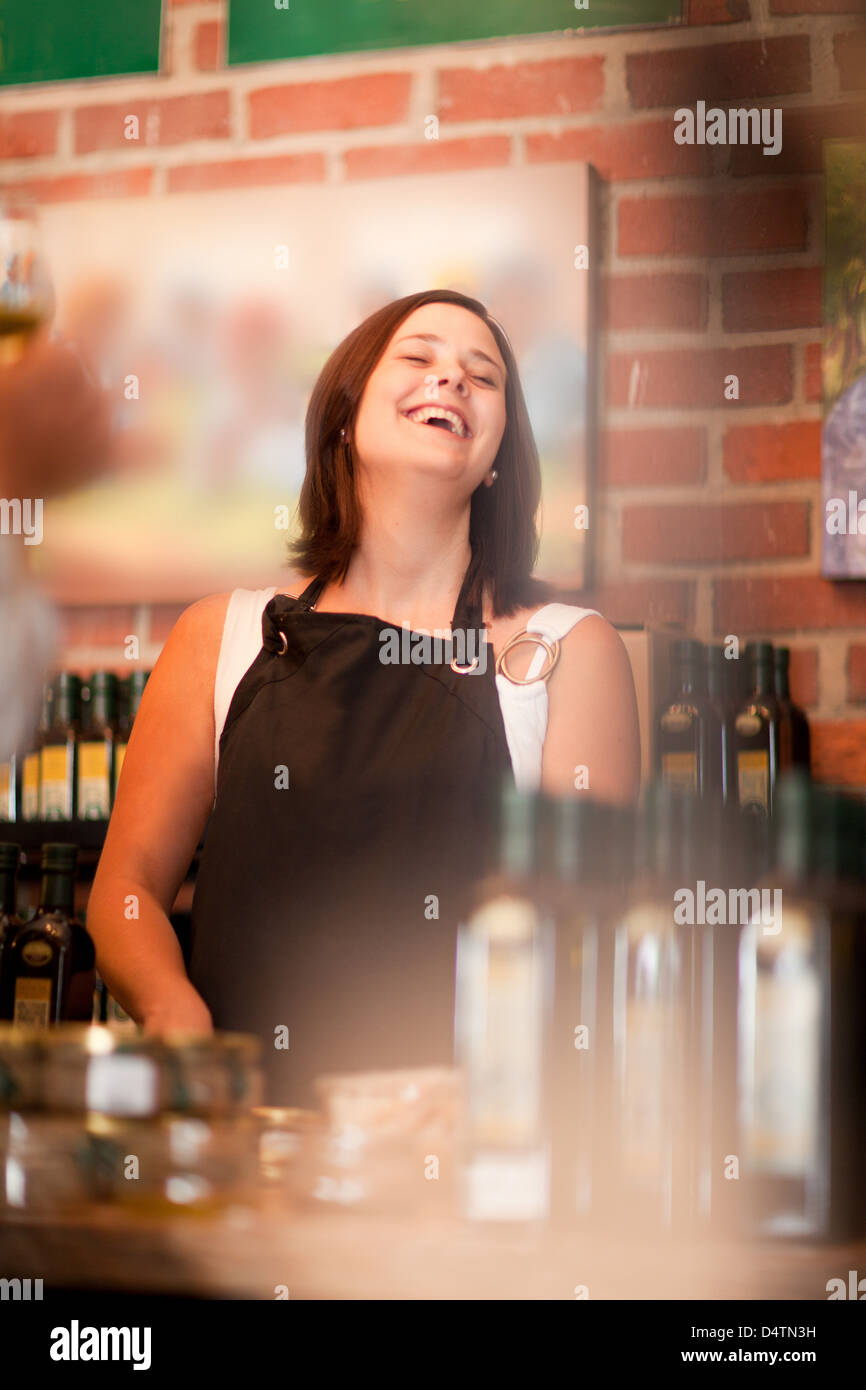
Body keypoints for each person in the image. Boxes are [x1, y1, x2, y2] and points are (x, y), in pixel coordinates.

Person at [86, 288, 640, 1107]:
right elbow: (124, 889)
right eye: (418, 359)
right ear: (344, 416)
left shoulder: (566, 650)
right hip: (245, 1141)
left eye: (481, 376)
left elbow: (588, 930)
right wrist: (177, 1018)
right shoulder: (223, 635)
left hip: (466, 1155)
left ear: (497, 459)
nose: (449, 380)